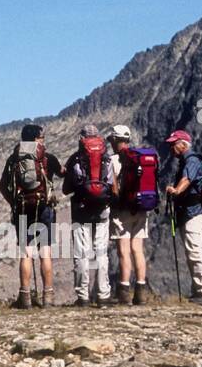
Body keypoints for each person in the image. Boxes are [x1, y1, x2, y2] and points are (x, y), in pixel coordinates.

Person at [0, 123, 63, 309]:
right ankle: (48, 297)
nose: (43, 140)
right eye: (41, 138)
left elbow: (2, 186)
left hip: (22, 208)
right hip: (44, 208)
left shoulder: (14, 159)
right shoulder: (47, 158)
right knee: (45, 252)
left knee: (26, 253)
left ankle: (25, 297)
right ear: (36, 139)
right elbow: (62, 172)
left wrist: (14, 203)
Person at [165, 129, 202, 306]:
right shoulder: (186, 161)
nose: (171, 147)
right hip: (190, 213)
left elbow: (187, 179)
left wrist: (176, 190)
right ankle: (199, 291)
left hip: (193, 213)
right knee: (192, 252)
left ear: (183, 144)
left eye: (174, 144)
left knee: (195, 251)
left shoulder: (192, 160)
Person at [62, 124, 114, 306]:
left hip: (81, 210)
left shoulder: (75, 160)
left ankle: (83, 297)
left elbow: (66, 189)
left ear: (81, 139)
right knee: (101, 252)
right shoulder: (106, 160)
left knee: (81, 253)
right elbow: (112, 186)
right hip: (102, 210)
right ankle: (103, 295)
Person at [108, 124, 150, 305]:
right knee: (138, 250)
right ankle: (141, 292)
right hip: (141, 208)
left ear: (115, 141)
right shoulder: (140, 158)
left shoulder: (112, 161)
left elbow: (113, 187)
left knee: (123, 251)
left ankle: (124, 292)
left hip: (122, 211)